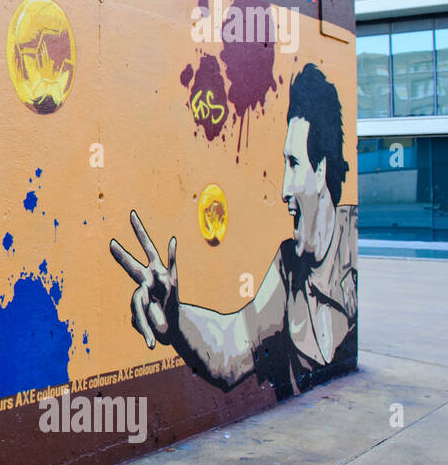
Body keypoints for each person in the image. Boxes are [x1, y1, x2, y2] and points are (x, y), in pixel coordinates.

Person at [109, 63, 357, 400]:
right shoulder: (287, 271)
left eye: (294, 163)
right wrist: (177, 320)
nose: (283, 189)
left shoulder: (351, 242)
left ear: (321, 170)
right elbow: (230, 350)